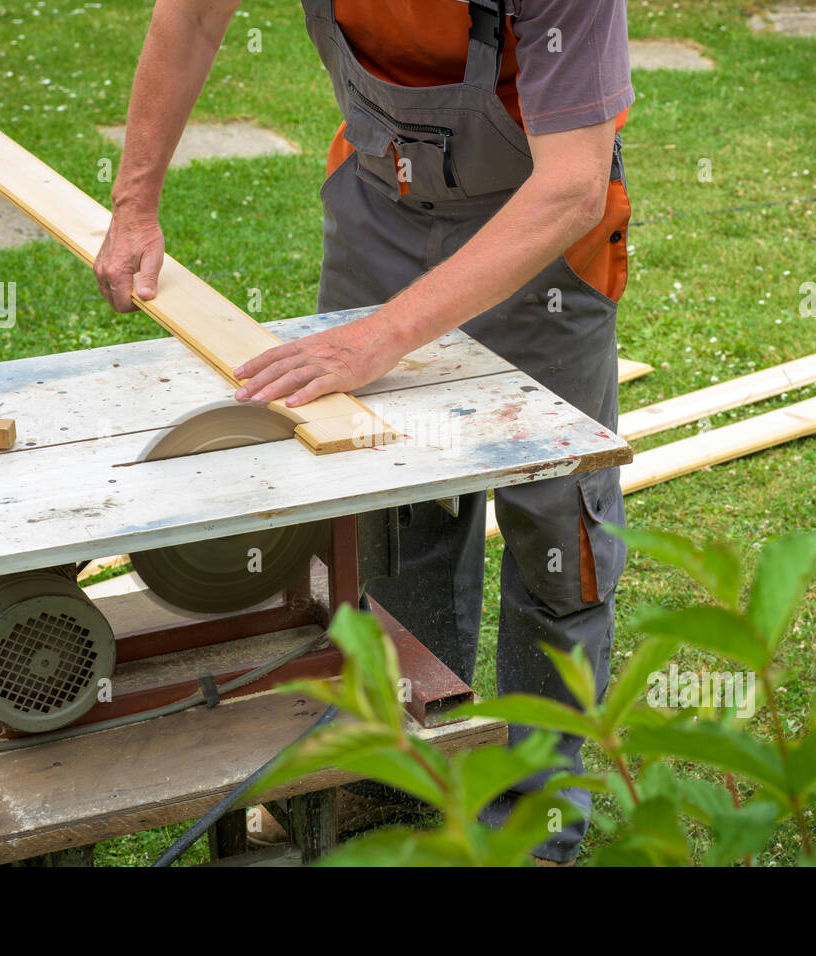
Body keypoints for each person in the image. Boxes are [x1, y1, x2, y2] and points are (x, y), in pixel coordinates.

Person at [94, 0, 633, 864]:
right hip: (383, 203)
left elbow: (571, 183)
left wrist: (380, 337)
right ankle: (390, 775)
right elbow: (191, 15)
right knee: (385, 505)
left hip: (541, 239)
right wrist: (134, 207)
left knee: (554, 532)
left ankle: (532, 818)